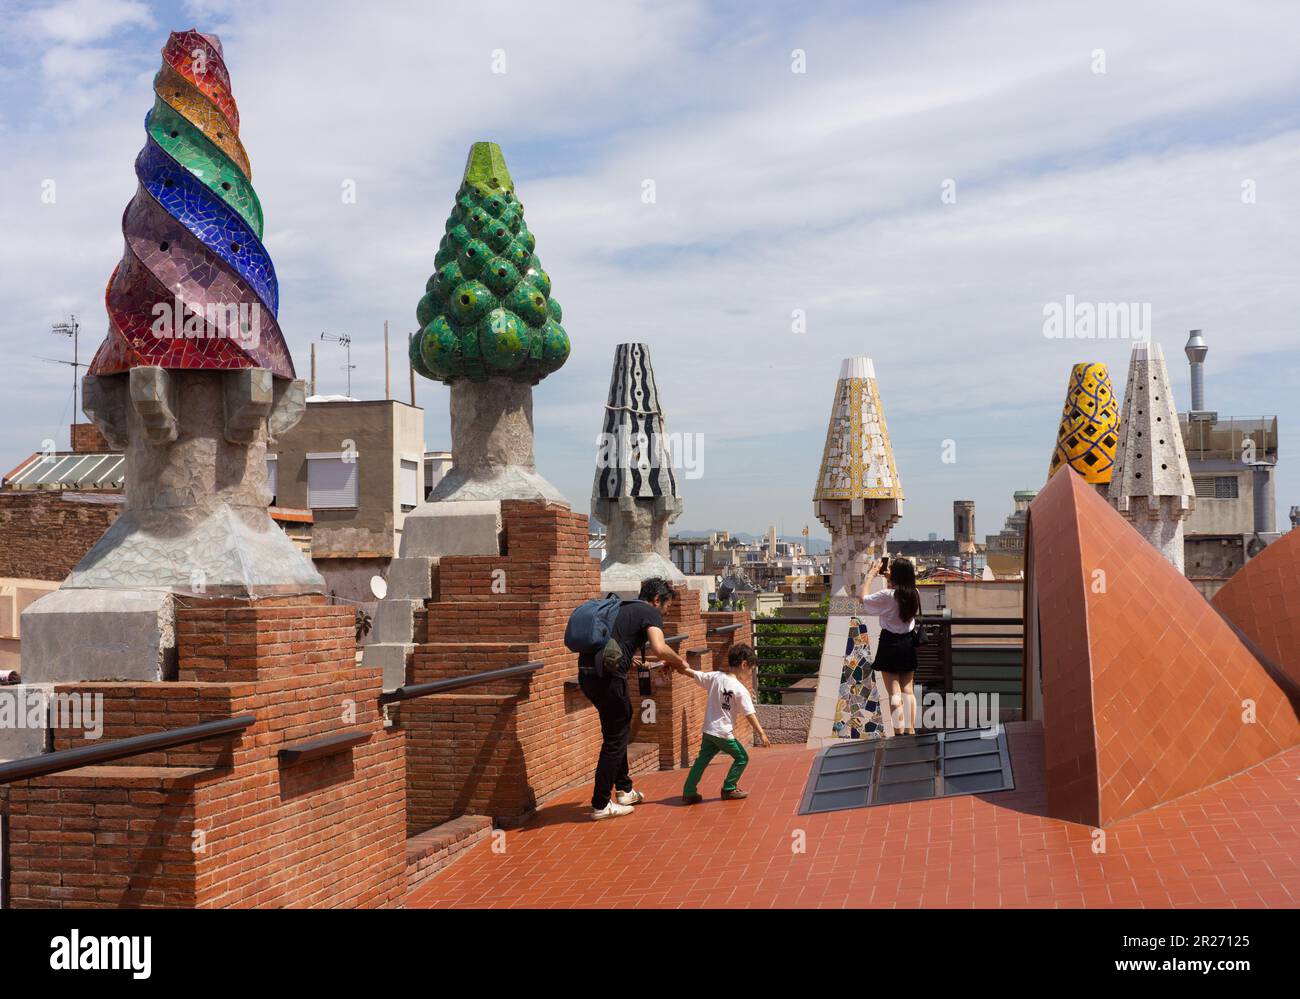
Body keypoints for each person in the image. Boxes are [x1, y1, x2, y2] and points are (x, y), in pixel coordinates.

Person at [578, 576, 688, 821]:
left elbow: (617, 643)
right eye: (667, 608)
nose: (666, 615)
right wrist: (679, 662)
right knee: (615, 739)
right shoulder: (650, 613)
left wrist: (632, 662)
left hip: (589, 676)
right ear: (657, 600)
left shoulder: (623, 608)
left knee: (617, 731)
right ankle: (600, 803)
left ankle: (625, 789)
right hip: (609, 679)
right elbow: (659, 648)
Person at [673, 642, 770, 804]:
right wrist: (761, 733)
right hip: (723, 733)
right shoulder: (740, 689)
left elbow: (694, 674)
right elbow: (750, 714)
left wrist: (677, 667)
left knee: (701, 761)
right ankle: (729, 788)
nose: (750, 673)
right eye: (751, 669)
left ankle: (689, 792)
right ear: (744, 664)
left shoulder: (715, 677)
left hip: (709, 731)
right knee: (742, 757)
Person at [857, 556, 921, 735]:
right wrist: (889, 579)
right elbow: (897, 596)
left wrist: (871, 575)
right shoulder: (914, 593)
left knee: (894, 691)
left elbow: (863, 598)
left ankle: (898, 730)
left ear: (897, 575)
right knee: (908, 689)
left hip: (889, 643)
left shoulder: (887, 595)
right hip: (908, 642)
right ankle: (910, 728)